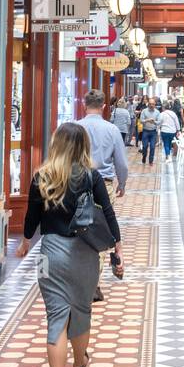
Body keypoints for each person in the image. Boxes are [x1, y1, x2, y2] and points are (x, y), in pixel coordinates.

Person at [18, 122, 123, 367]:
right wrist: (118, 246)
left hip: (48, 255)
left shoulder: (42, 176)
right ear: (83, 147)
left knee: (55, 316)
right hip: (85, 254)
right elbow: (108, 213)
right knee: (81, 308)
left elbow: (31, 218)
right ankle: (79, 363)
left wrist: (26, 242)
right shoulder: (92, 177)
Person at [77, 89, 128, 302]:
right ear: (104, 106)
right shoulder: (112, 130)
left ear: (84, 105)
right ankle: (93, 284)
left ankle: (78, 279)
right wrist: (122, 183)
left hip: (76, 184)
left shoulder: (75, 127)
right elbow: (122, 164)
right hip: (104, 186)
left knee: (77, 228)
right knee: (99, 230)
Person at [140, 97, 159, 165]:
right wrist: (147, 120)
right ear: (148, 104)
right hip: (145, 131)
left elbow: (159, 122)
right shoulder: (144, 111)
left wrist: (154, 122)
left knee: (152, 147)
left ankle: (151, 161)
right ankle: (144, 156)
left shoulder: (157, 112)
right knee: (144, 146)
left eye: (153, 104)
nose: (151, 105)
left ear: (155, 104)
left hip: (153, 131)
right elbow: (141, 121)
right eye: (150, 104)